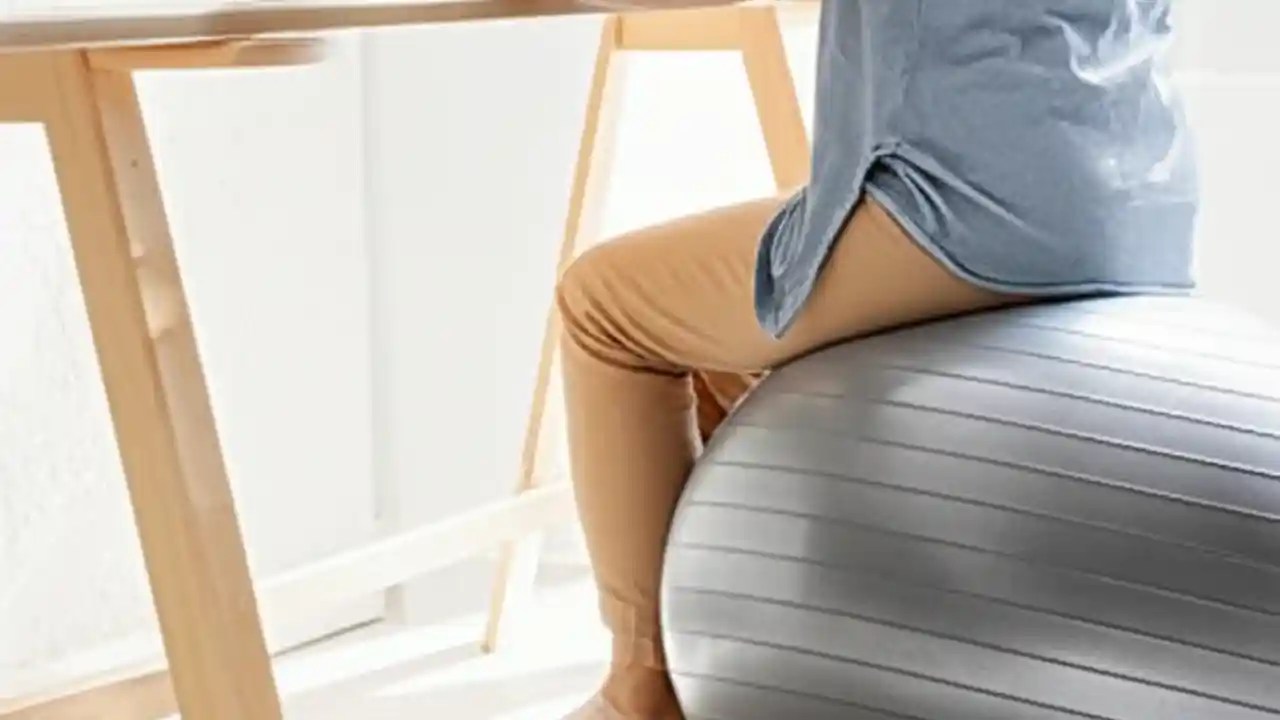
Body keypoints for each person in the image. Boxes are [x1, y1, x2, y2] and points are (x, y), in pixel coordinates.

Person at [560, 1, 1197, 717]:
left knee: (602, 307)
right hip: (1139, 201)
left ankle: (642, 687)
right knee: (728, 352)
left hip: (971, 216)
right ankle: (787, 643)